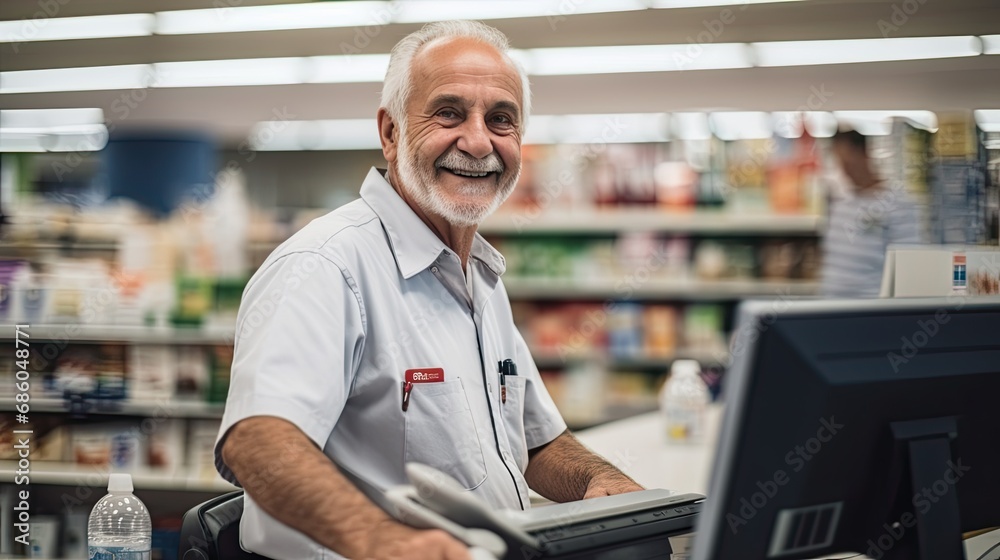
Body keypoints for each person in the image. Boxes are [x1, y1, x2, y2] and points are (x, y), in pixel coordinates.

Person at [214, 21, 643, 560]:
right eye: (448, 113)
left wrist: (599, 480)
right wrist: (383, 541)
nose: (478, 142)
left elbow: (534, 441)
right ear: (391, 132)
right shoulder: (325, 265)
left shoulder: (480, 276)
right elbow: (258, 440)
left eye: (501, 119)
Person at [820, 129, 924, 298]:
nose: (845, 170)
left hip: (869, 305)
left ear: (865, 153)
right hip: (831, 304)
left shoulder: (898, 204)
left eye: (848, 162)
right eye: (840, 163)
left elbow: (908, 265)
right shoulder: (840, 203)